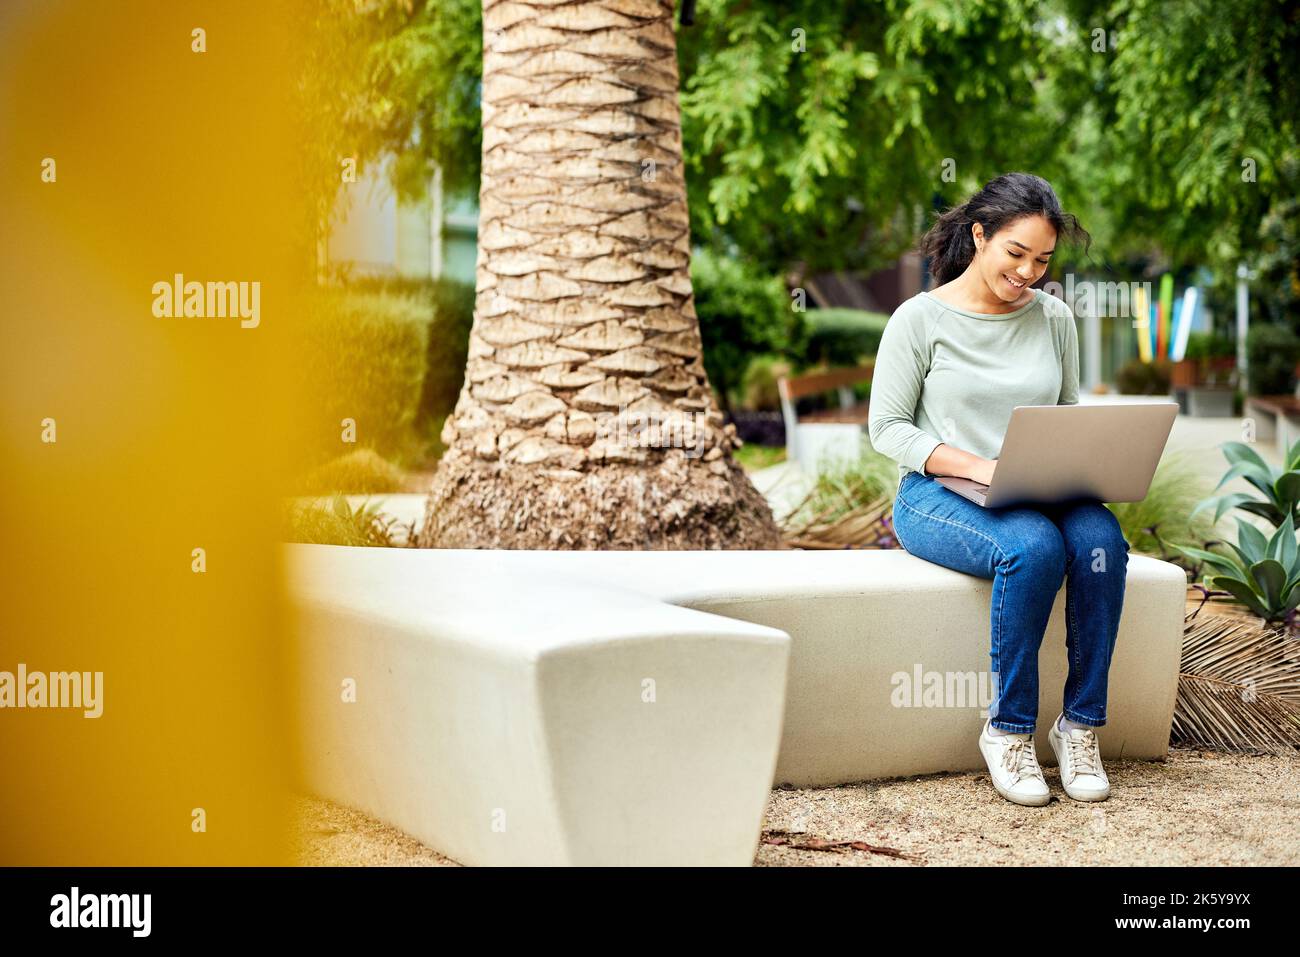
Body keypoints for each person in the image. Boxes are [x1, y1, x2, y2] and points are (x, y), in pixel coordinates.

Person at [867, 172, 1128, 807]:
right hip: (937, 493)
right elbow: (887, 428)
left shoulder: (1054, 318)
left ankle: (1080, 726)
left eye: (1042, 260)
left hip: (1034, 484)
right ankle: (1009, 731)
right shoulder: (919, 319)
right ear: (979, 236)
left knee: (1101, 538)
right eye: (1016, 254)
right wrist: (983, 468)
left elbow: (1064, 413)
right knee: (1033, 548)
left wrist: (1080, 464)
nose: (1029, 273)